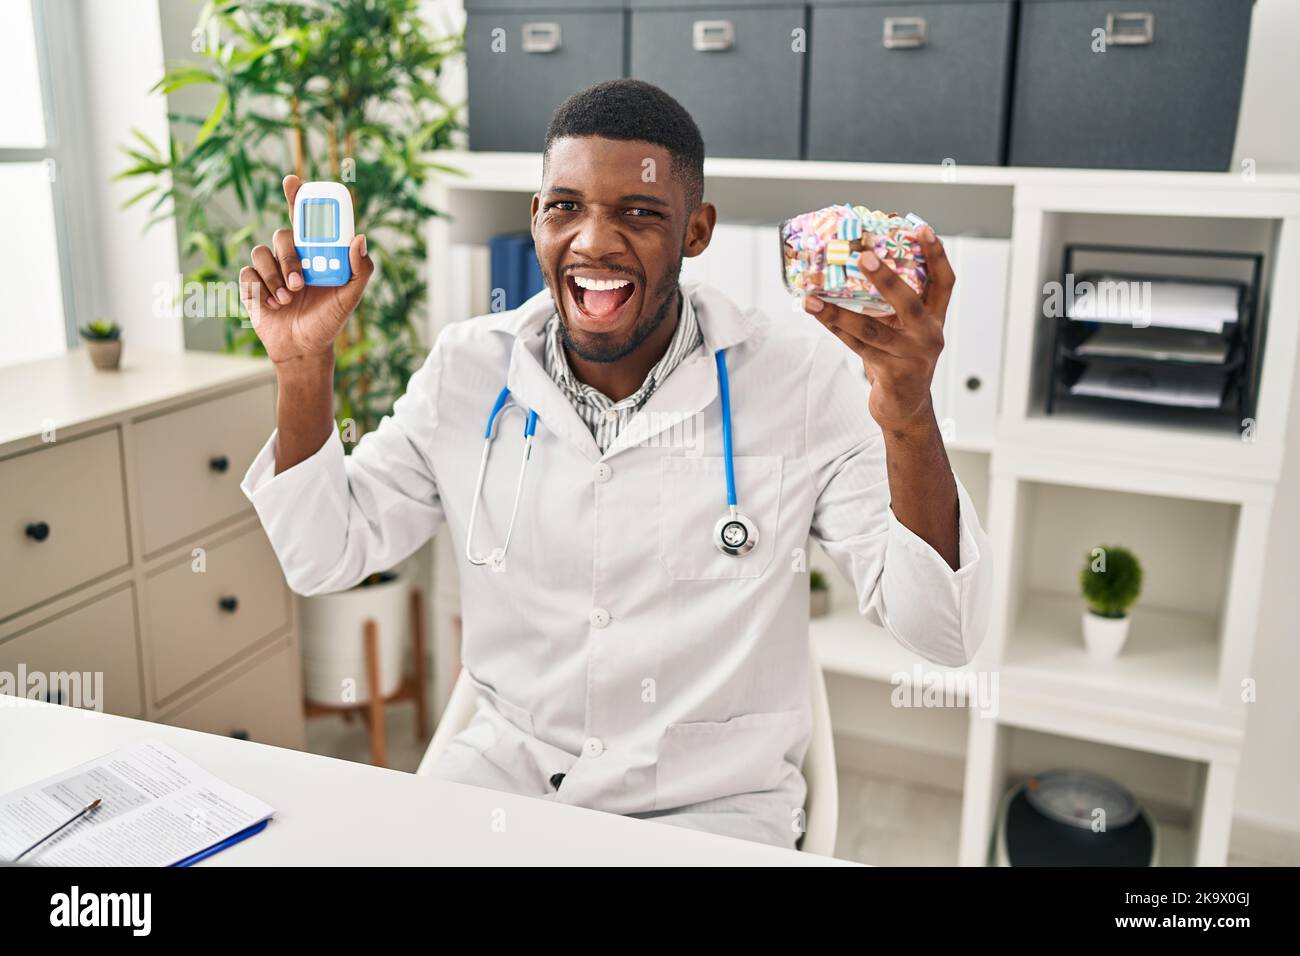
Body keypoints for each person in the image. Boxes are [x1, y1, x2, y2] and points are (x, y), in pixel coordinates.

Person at [238, 79, 993, 851]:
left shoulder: (796, 379)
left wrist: (907, 415)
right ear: (535, 219)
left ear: (696, 231)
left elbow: (943, 631)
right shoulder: (468, 371)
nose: (595, 242)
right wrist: (303, 370)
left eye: (638, 213)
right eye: (565, 206)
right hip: (504, 785)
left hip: (711, 812)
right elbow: (323, 556)